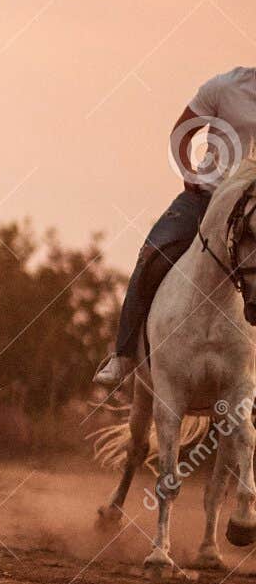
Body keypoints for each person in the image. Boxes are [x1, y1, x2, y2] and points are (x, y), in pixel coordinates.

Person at [95, 66, 256, 391]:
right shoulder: (224, 87)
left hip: (253, 205)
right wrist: (190, 173)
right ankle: (123, 356)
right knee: (153, 253)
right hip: (207, 197)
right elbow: (183, 131)